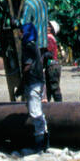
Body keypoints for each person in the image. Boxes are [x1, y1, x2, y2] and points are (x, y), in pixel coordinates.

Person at [21, 21, 48, 153]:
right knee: (37, 110)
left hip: (33, 81)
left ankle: (40, 142)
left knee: (35, 111)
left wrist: (21, 84)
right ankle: (44, 140)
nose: (19, 34)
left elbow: (27, 67)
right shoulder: (34, 45)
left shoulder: (28, 45)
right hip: (37, 81)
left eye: (21, 32)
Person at [20, 0, 49, 67]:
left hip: (34, 43)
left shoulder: (29, 3)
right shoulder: (43, 3)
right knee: (39, 66)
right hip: (44, 42)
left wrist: (15, 22)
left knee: (29, 67)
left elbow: (25, 22)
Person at [45, 20, 63, 102]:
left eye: (49, 26)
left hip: (52, 66)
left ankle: (59, 106)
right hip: (52, 65)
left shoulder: (49, 38)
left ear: (51, 29)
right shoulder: (50, 38)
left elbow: (49, 54)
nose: (47, 27)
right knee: (48, 89)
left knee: (54, 88)